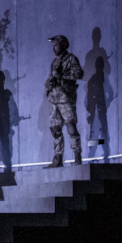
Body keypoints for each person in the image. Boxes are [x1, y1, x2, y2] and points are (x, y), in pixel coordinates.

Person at [44, 34, 84, 168]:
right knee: (55, 129)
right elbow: (51, 77)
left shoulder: (71, 59)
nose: (53, 48)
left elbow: (79, 74)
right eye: (53, 45)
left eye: (56, 44)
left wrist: (62, 77)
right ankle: (58, 158)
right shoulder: (54, 61)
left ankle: (77, 156)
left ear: (63, 44)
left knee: (71, 126)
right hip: (55, 99)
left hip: (66, 98)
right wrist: (49, 84)